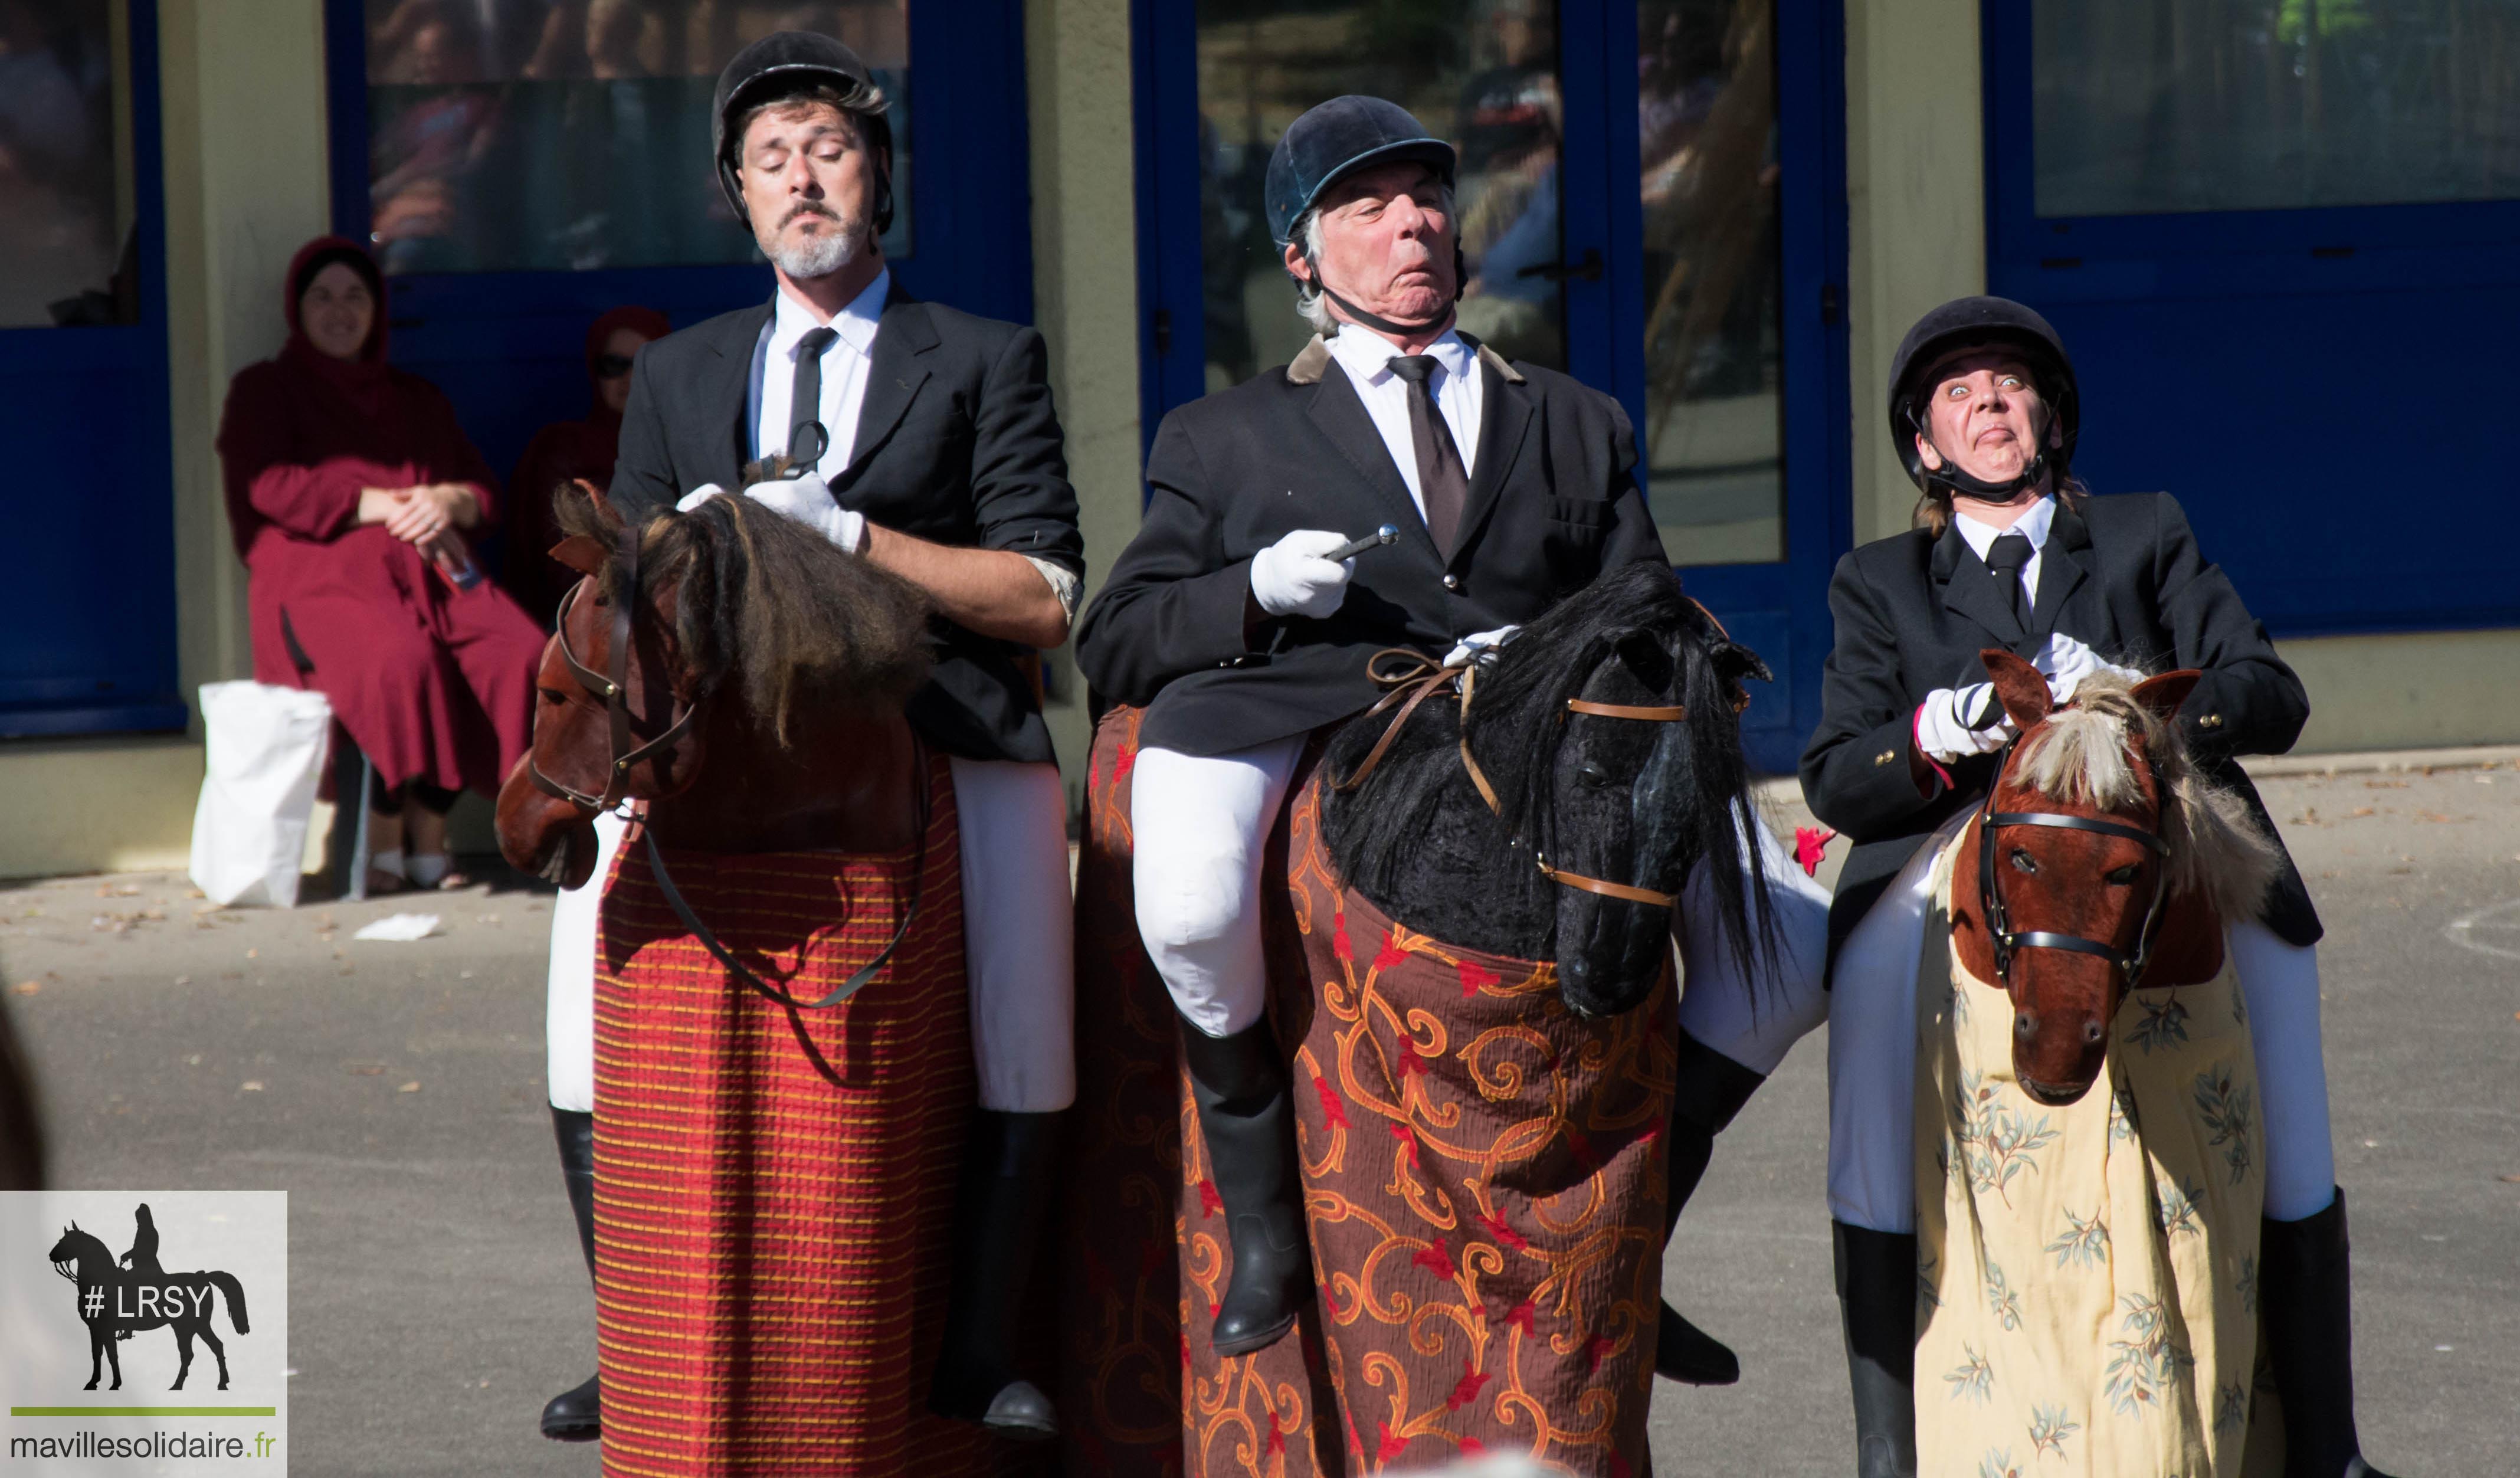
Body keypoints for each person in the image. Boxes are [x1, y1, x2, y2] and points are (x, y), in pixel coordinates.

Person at [1074, 95, 1828, 1371]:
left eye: (1425, 194)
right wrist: (1251, 590)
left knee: (1794, 941)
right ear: (1302, 259)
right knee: (1192, 902)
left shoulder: (1572, 416)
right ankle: (1263, 1219)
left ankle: (1641, 1239)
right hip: (1298, 703)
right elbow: (1115, 638)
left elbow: (1646, 607)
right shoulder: (1220, 433)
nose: (1412, 221)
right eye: (1366, 205)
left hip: (1539, 732)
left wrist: (1570, 654)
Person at [543, 31, 1082, 1445]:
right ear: (737, 194)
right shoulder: (678, 369)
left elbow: (1042, 596)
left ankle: (979, 1341)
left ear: (879, 175)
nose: (803, 177)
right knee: (569, 983)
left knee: (1028, 987)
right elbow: (623, 579)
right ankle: (627, 1327)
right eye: (770, 158)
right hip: (714, 750)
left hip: (941, 721)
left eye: (829, 147)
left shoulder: (984, 355)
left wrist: (854, 538)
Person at [1792, 296, 2397, 1478]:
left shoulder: (2138, 532)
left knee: (2275, 971)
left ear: (2048, 420)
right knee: (1868, 986)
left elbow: (2266, 691)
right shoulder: (1876, 581)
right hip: (1956, 841)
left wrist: (2136, 696)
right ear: (1922, 443)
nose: (1989, 402)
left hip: (2151, 833)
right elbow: (1829, 775)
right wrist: (1932, 727)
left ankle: (2325, 1443)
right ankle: (1883, 1449)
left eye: (2011, 385)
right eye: (1959, 391)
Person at [215, 237, 546, 894]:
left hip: (429, 570)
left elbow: (482, 492)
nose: (340, 312)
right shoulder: (266, 389)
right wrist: (372, 502)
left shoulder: (415, 398)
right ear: (297, 309)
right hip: (323, 575)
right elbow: (268, 485)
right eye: (322, 297)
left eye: (356, 297)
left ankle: (432, 823)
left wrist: (445, 499)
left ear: (377, 311)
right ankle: (390, 837)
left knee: (519, 653)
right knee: (399, 665)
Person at [500, 304, 671, 623]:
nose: (630, 378)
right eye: (615, 365)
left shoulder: (685, 447)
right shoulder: (563, 448)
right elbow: (559, 564)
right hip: (586, 614)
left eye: (645, 365)